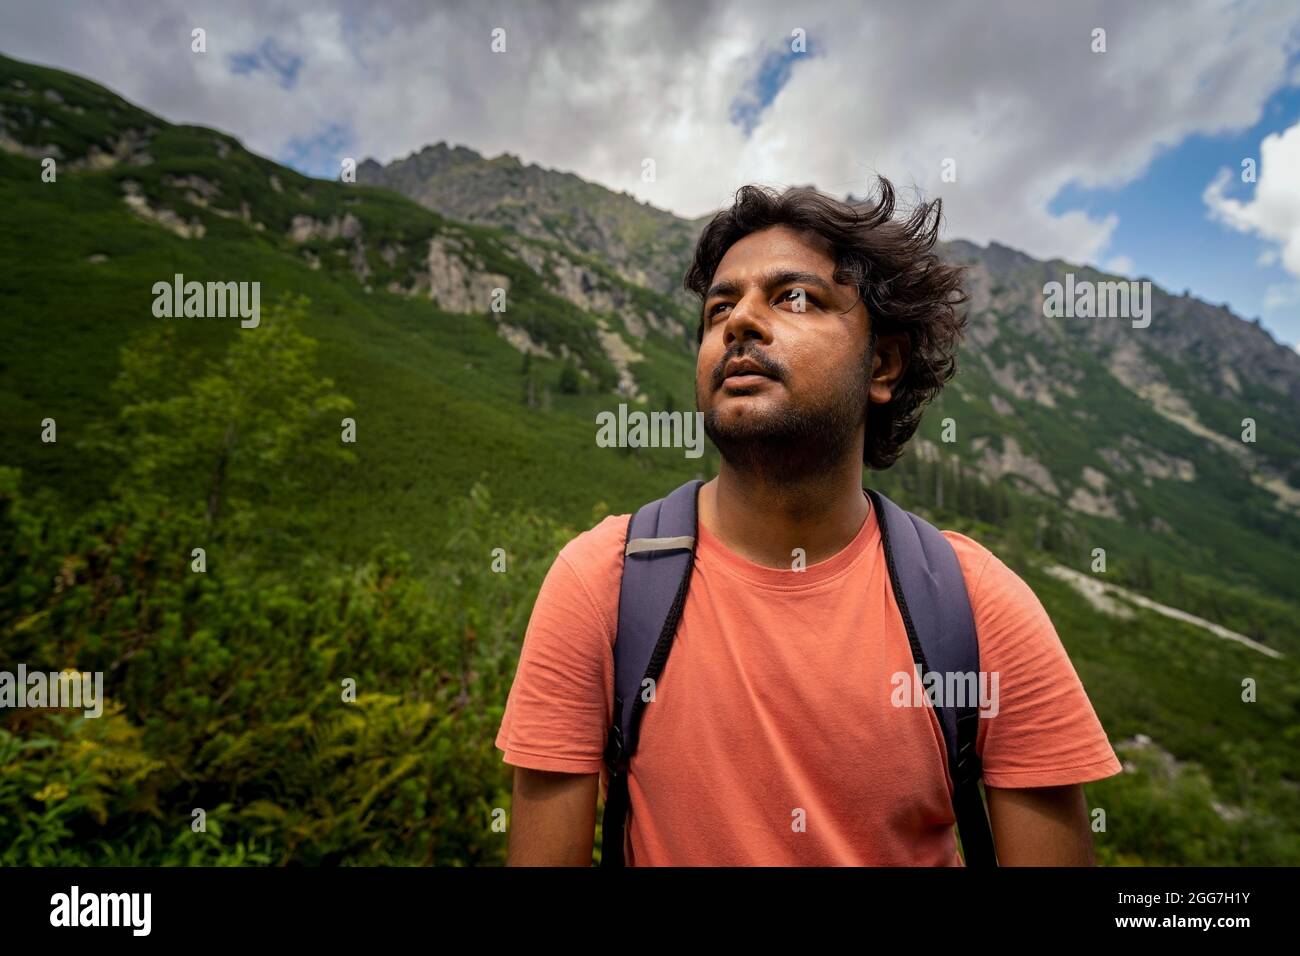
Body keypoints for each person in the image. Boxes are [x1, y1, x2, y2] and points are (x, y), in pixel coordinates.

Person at [495, 179, 1121, 866]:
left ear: (882, 363)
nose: (739, 322)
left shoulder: (980, 608)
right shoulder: (600, 583)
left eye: (794, 298)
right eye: (719, 308)